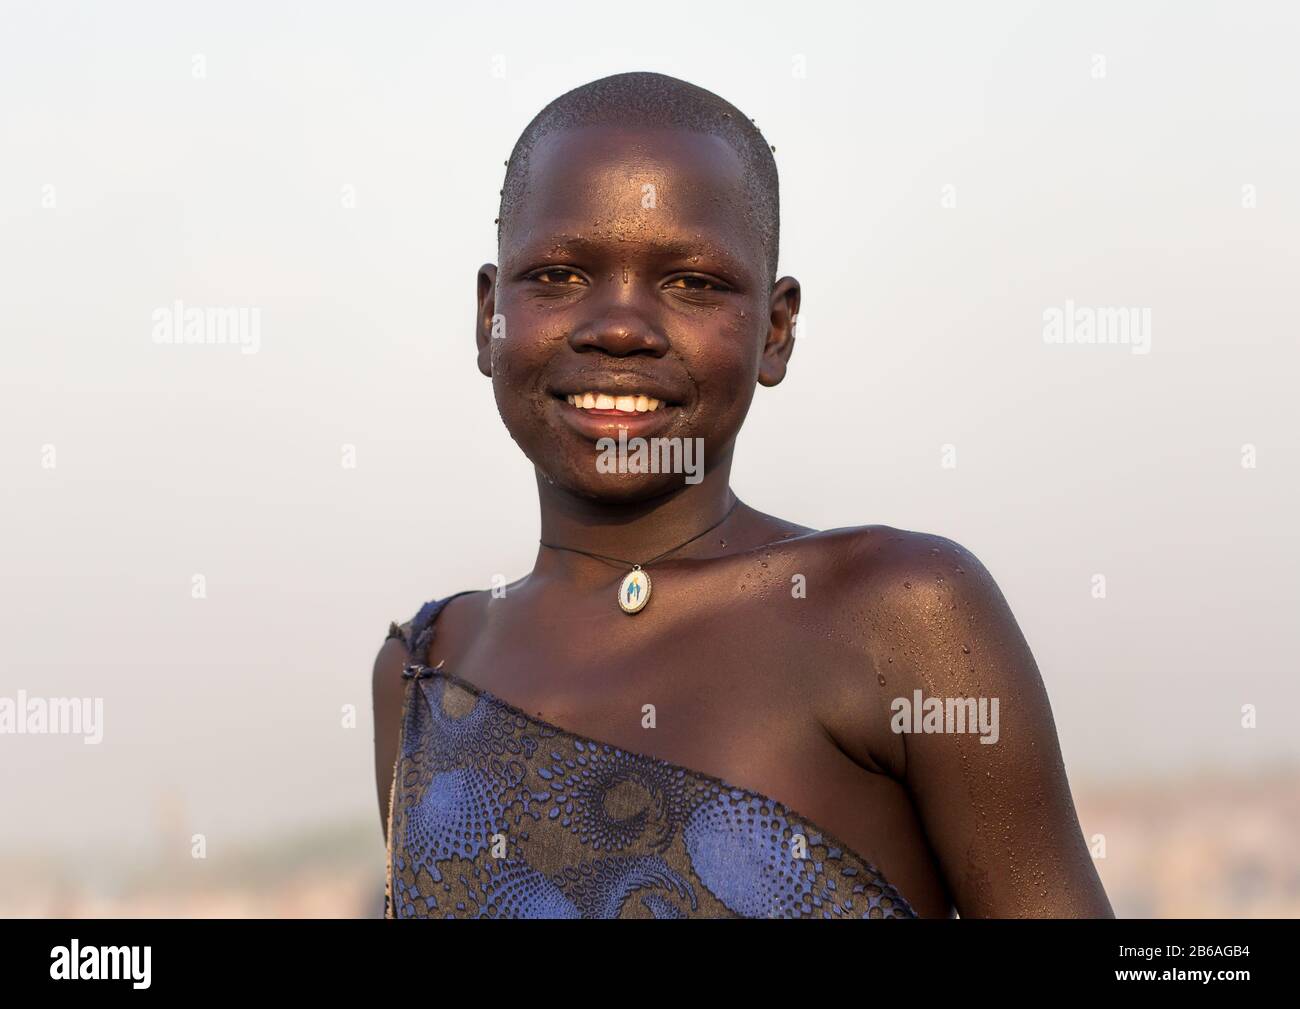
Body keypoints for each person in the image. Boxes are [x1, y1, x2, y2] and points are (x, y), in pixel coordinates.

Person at [372, 71, 1113, 919]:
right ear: (488, 316)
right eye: (558, 275)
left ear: (775, 329)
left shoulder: (899, 614)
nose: (618, 326)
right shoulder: (424, 673)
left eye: (692, 283)